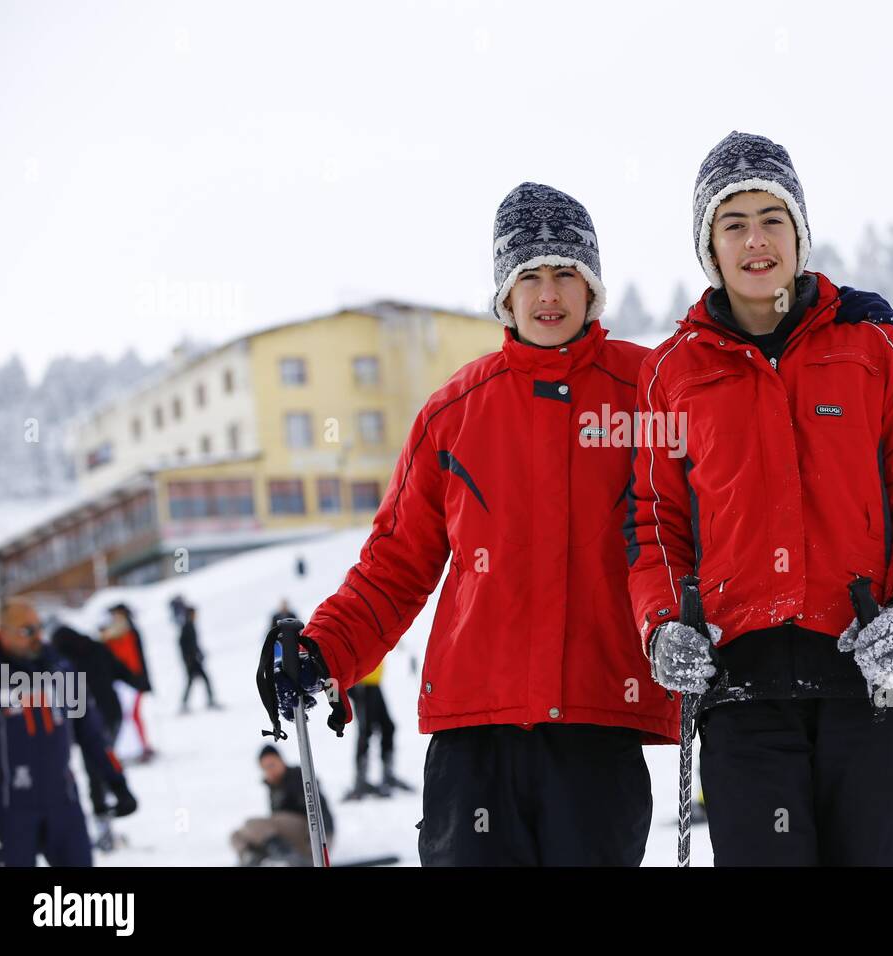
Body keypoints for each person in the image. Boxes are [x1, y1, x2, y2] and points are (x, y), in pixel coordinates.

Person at [258, 183, 677, 866]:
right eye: (529, 275)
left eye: (566, 273)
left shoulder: (651, 392)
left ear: (592, 286)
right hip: (475, 739)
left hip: (598, 729)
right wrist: (325, 649)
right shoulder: (454, 412)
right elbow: (395, 564)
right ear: (504, 294)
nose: (549, 294)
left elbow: (712, 517)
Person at [626, 132, 893, 866]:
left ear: (800, 232)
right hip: (741, 692)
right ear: (708, 243)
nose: (755, 240)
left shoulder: (874, 349)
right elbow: (654, 524)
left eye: (772, 218)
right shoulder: (671, 373)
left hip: (865, 674)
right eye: (733, 221)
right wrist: (661, 627)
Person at [0, 599, 137, 866]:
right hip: (10, 808)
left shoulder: (60, 669)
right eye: (27, 630)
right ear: (3, 631)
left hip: (62, 801)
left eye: (39, 627)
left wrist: (117, 782)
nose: (37, 636)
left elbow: (91, 734)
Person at [49, 620, 146, 851]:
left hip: (90, 722)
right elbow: (121, 670)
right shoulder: (97, 648)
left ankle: (104, 828)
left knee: (95, 770)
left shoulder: (63, 661)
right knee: (101, 765)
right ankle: (107, 819)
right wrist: (139, 682)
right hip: (111, 716)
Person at [230, 745, 333, 866]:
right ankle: (252, 857)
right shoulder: (274, 787)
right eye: (265, 768)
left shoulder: (298, 777)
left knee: (251, 823)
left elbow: (319, 808)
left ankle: (289, 855)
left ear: (281, 760)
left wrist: (320, 843)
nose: (269, 771)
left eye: (271, 765)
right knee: (236, 835)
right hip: (290, 837)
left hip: (312, 837)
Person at [343, 663, 412, 799]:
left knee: (388, 727)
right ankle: (360, 782)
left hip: (373, 681)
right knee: (365, 731)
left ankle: (387, 776)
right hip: (362, 682)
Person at [100, 603, 154, 762]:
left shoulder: (128, 634)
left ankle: (140, 747)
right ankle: (133, 748)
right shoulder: (113, 637)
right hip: (122, 682)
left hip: (131, 682)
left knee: (130, 715)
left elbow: (134, 660)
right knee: (126, 716)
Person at [178, 604, 219, 712]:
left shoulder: (190, 625)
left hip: (194, 660)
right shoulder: (187, 627)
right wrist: (189, 659)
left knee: (193, 681)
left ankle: (185, 704)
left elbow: (194, 644)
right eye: (194, 613)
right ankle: (208, 701)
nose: (196, 615)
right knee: (202, 680)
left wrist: (200, 653)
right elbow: (184, 645)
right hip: (192, 661)